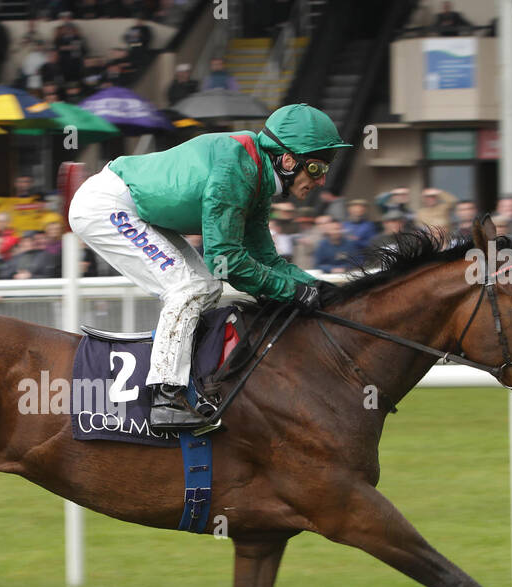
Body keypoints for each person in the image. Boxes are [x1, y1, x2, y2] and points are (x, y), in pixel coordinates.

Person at [68, 103, 349, 430]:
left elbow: (265, 260)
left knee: (206, 287)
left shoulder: (255, 173)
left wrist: (319, 289)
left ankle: (187, 382)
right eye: (316, 169)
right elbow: (224, 261)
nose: (322, 180)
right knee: (189, 287)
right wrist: (293, 291)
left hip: (135, 207)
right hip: (106, 205)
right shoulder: (236, 170)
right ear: (288, 161)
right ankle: (165, 397)